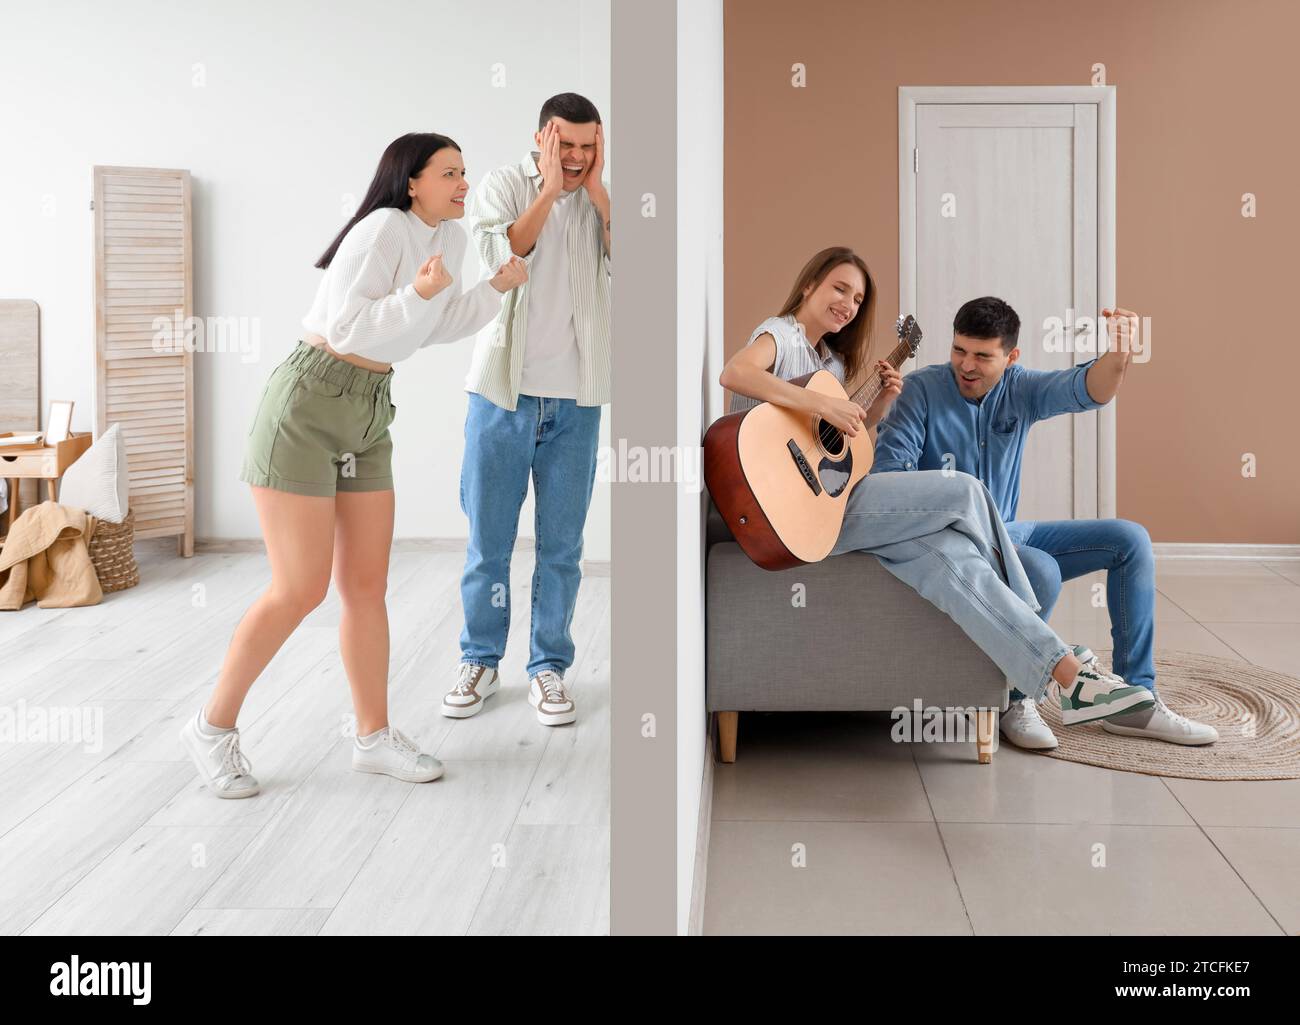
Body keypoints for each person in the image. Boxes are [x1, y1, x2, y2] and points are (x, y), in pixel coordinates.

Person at [180, 133, 528, 798]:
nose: (464, 183)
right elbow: (345, 328)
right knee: (298, 588)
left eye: (465, 172)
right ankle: (211, 726)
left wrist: (494, 289)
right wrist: (418, 294)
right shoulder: (383, 228)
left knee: (366, 586)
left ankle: (372, 737)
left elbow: (433, 325)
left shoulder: (450, 239)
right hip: (308, 402)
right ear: (412, 181)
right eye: (449, 173)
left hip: (369, 407)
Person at [719, 247, 1156, 728]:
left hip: (818, 500)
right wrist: (824, 405)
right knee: (964, 490)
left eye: (858, 298)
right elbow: (736, 373)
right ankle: (1049, 635)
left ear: (1010, 357)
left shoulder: (831, 364)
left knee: (952, 558)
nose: (848, 304)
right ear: (809, 285)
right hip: (778, 507)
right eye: (839, 288)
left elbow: (830, 449)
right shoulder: (780, 335)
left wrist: (875, 405)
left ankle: (1070, 679)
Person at [872, 296, 1217, 748]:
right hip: (957, 544)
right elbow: (889, 480)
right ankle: (1016, 698)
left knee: (1130, 539)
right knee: (1041, 568)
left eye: (982, 356)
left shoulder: (1020, 389)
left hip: (1008, 533)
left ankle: (1137, 700)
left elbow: (1089, 390)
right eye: (959, 350)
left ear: (1011, 357)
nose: (967, 366)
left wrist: (1118, 354)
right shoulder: (919, 391)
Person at [444, 93, 611, 727]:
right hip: (500, 395)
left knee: (562, 548)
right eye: (566, 145)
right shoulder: (501, 186)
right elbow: (502, 256)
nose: (577, 157)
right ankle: (480, 660)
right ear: (543, 138)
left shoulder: (600, 200)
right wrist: (548, 190)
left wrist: (598, 194)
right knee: (488, 543)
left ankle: (548, 668)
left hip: (576, 401)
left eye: (588, 147)